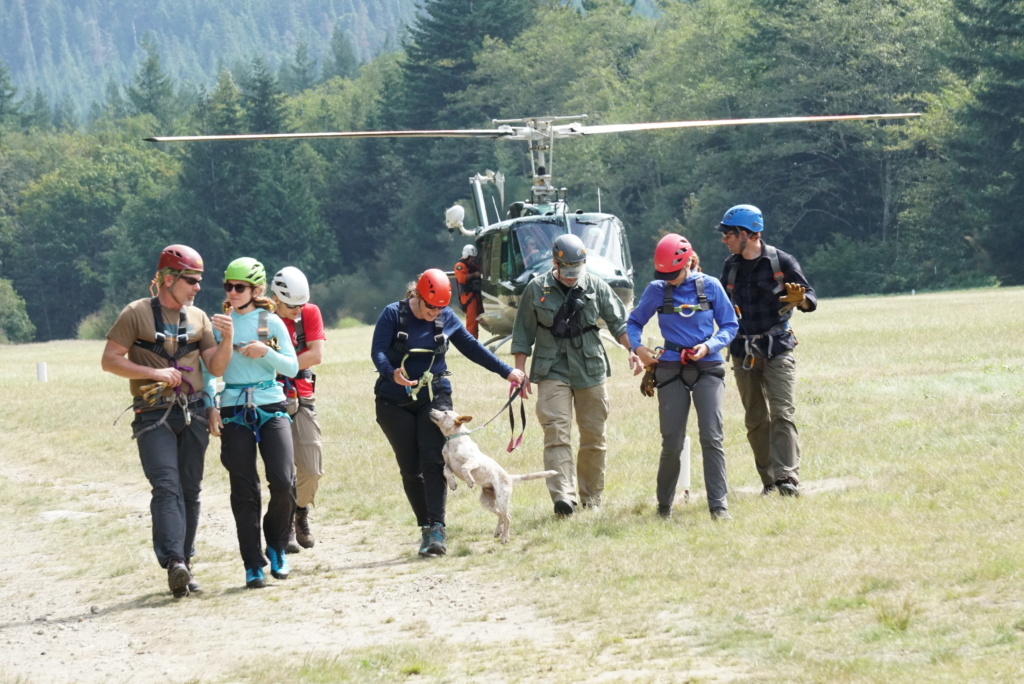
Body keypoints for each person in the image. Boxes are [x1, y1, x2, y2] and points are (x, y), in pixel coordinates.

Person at [101, 244, 234, 597]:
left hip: (193, 413)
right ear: (169, 278)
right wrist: (154, 372)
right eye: (191, 280)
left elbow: (216, 367)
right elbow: (110, 360)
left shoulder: (200, 318)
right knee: (166, 486)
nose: (197, 287)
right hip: (152, 414)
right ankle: (174, 561)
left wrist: (229, 338)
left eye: (199, 280)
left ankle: (185, 562)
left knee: (190, 489)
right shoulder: (135, 314)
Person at [371, 268, 525, 557]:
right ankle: (425, 527)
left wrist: (507, 372)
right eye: (431, 307)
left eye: (440, 308)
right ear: (418, 295)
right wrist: (392, 373)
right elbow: (378, 351)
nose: (434, 313)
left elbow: (471, 347)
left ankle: (437, 529)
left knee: (433, 459)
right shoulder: (393, 314)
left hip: (435, 397)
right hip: (394, 400)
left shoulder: (444, 317)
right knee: (410, 467)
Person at [511, 234, 642, 517]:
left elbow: (620, 324)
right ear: (556, 263)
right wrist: (519, 370)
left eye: (576, 270)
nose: (572, 276)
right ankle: (564, 498)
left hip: (590, 368)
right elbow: (522, 334)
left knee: (594, 436)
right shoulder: (536, 289)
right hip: (551, 368)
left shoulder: (595, 285)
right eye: (567, 270)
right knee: (556, 432)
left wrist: (633, 351)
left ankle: (591, 498)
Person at [627, 234, 739, 520]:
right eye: (664, 274)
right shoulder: (656, 289)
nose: (670, 279)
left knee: (712, 437)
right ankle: (664, 507)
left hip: (707, 367)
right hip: (670, 368)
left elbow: (729, 325)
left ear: (688, 261)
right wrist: (638, 348)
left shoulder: (710, 286)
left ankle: (719, 506)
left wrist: (709, 346)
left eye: (674, 273)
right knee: (672, 442)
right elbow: (634, 321)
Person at [206, 257, 299, 589]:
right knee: (244, 491)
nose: (232, 292)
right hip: (232, 408)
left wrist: (266, 352)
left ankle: (275, 545)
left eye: (239, 287)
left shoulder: (271, 323)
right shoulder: (218, 324)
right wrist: (209, 406)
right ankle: (252, 563)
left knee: (285, 482)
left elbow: (290, 367)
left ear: (256, 289)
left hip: (271, 406)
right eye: (228, 286)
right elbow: (207, 372)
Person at [717, 205, 817, 496]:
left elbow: (810, 299)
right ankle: (770, 481)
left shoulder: (781, 261)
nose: (725, 239)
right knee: (755, 419)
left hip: (777, 348)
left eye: (729, 234)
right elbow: (721, 304)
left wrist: (800, 301)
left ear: (747, 234)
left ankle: (788, 478)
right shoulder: (730, 266)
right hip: (743, 350)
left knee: (782, 413)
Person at [270, 266, 326, 553]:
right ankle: (285, 526)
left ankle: (300, 511)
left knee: (312, 469)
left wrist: (276, 363)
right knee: (281, 471)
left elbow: (316, 354)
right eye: (291, 306)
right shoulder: (263, 319)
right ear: (275, 299)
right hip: (270, 399)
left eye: (301, 305)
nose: (297, 310)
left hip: (302, 398)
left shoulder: (310, 313)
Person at [453, 244, 484, 338]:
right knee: (472, 322)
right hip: (469, 297)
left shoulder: (474, 265)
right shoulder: (460, 266)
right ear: (467, 255)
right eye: (471, 258)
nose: (473, 260)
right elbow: (462, 279)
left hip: (477, 295)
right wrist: (474, 275)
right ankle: (471, 342)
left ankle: (475, 341)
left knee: (478, 319)